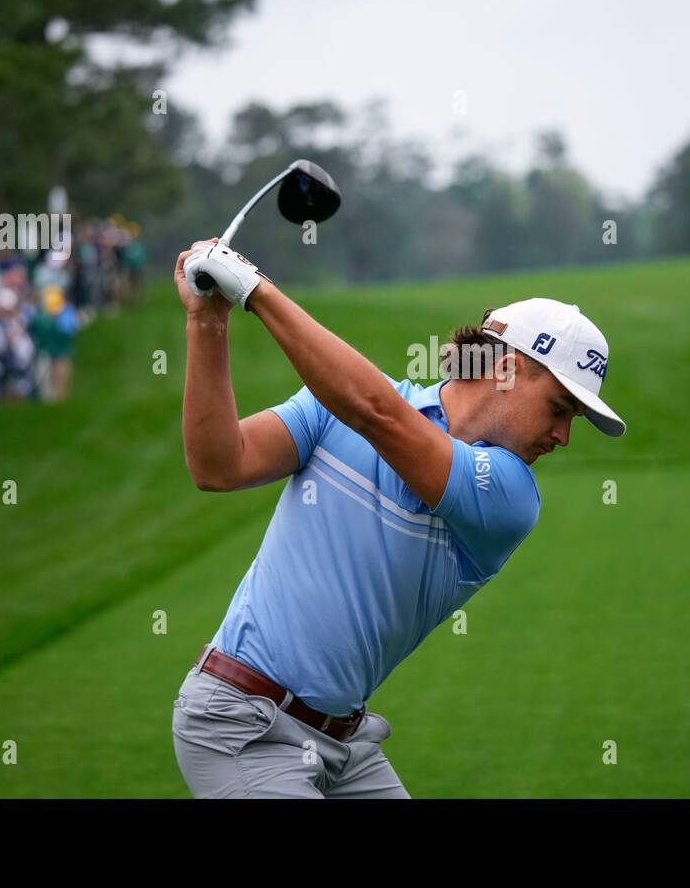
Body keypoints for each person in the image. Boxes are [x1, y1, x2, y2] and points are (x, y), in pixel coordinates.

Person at [170, 239, 626, 798]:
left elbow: (376, 414)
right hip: (241, 724)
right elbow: (219, 464)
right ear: (506, 370)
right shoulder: (330, 409)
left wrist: (255, 289)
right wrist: (208, 322)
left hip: (344, 745)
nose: (563, 436)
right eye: (560, 408)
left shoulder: (511, 497)